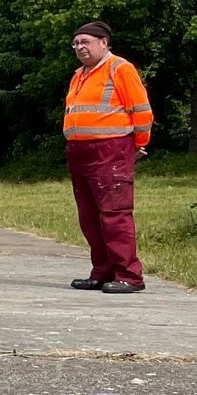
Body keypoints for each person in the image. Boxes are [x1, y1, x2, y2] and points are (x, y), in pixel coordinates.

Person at [62, 21, 153, 294]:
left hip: (111, 149)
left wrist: (138, 145)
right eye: (76, 44)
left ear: (104, 42)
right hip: (79, 152)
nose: (80, 48)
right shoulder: (79, 74)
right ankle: (102, 272)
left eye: (85, 42)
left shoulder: (120, 69)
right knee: (89, 216)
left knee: (114, 214)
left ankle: (129, 275)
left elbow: (142, 110)